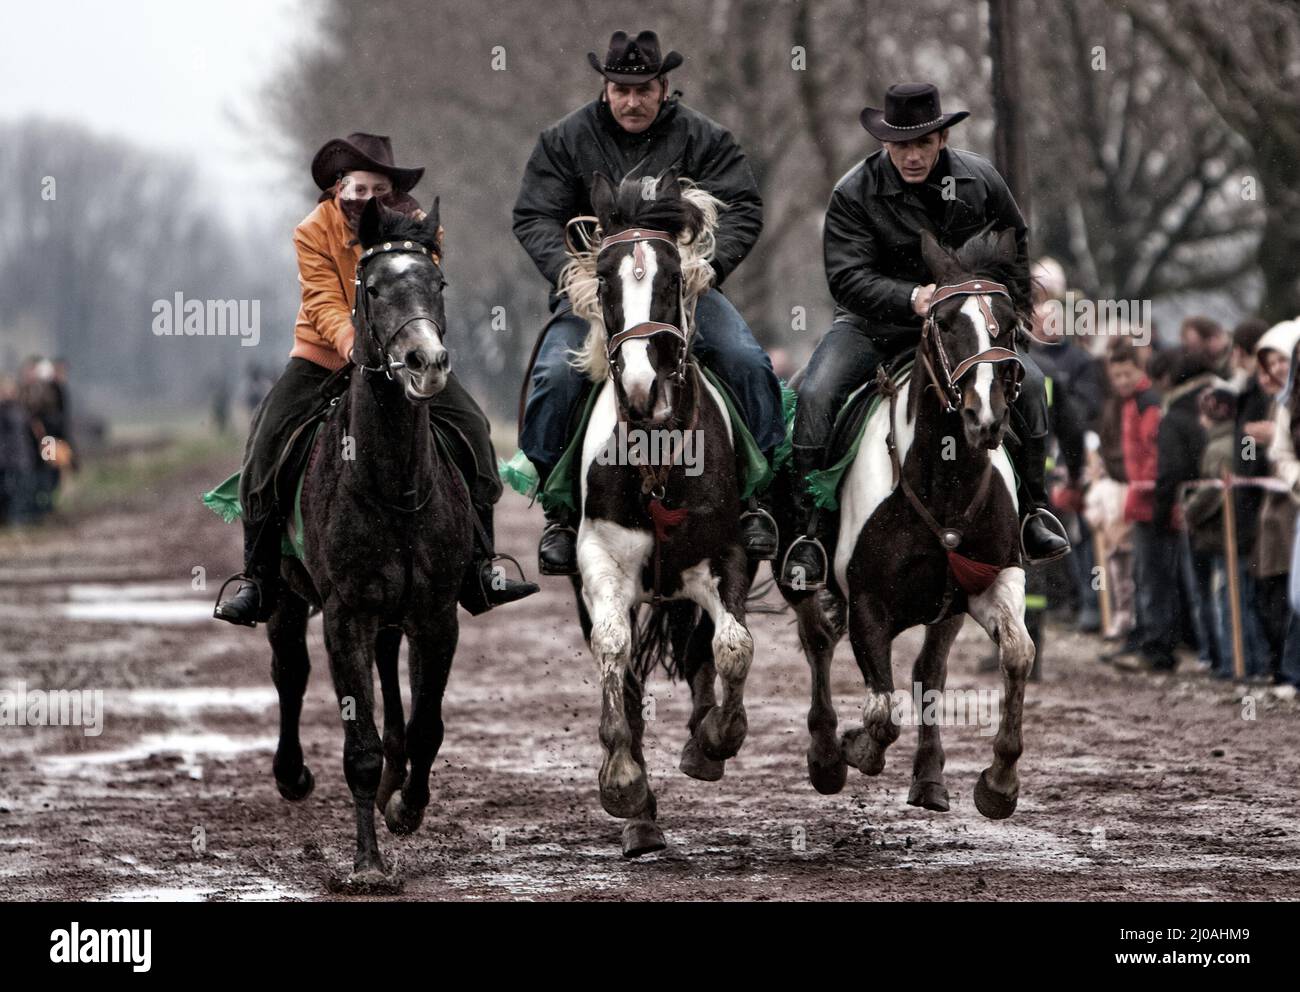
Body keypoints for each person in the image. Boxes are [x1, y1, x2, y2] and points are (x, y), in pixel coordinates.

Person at [214, 132, 537, 626]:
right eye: (358, 189)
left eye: (378, 189)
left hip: (404, 355)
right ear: (338, 187)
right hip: (324, 357)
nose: (367, 199)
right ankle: (258, 579)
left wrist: (403, 347)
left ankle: (481, 564)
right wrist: (353, 348)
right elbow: (321, 300)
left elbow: (419, 294)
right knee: (264, 444)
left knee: (473, 428)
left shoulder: (421, 229)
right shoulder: (311, 231)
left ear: (392, 192)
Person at [513, 29, 785, 575]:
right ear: (605, 88)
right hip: (595, 299)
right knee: (555, 379)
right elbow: (533, 215)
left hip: (683, 292)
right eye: (620, 89)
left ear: (664, 86)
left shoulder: (705, 137)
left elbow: (743, 208)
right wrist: (571, 274)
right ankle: (561, 514)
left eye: (643, 89)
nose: (632, 101)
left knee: (747, 362)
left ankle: (757, 501)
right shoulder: (563, 139)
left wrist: (710, 264)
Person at [780, 82, 1069, 589]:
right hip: (875, 327)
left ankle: (1034, 514)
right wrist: (911, 298)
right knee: (815, 392)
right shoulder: (853, 192)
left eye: (922, 144)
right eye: (901, 146)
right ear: (884, 145)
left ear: (941, 140)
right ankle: (811, 533)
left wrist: (1001, 316)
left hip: (966, 331)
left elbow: (1015, 250)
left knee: (1034, 385)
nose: (912, 156)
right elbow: (845, 277)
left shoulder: (980, 180)